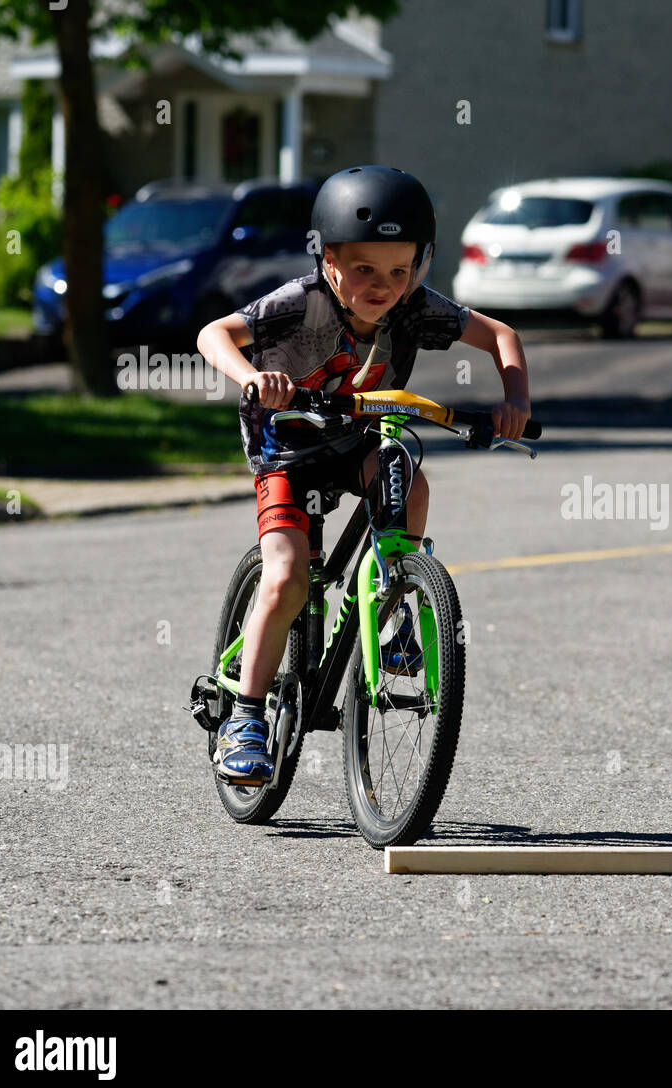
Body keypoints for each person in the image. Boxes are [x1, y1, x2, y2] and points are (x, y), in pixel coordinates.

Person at [197, 165, 531, 786]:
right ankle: (244, 714)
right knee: (290, 571)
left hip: (356, 440)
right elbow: (213, 333)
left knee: (410, 477)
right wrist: (251, 378)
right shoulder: (300, 304)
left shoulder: (415, 310)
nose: (384, 285)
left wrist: (514, 401)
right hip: (287, 452)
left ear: (419, 268)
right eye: (365, 270)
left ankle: (396, 597)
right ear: (328, 261)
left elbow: (501, 337)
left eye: (400, 270)